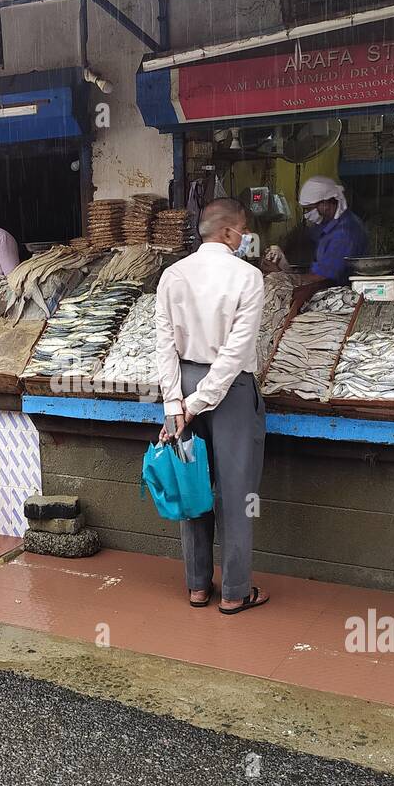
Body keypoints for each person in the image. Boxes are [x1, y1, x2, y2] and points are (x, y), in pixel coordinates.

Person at [154, 197, 270, 616]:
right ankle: (236, 592)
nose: (245, 239)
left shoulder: (173, 275)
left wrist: (176, 404)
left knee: (192, 483)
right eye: (242, 230)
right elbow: (235, 352)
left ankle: (198, 586)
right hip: (231, 392)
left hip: (183, 385)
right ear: (228, 232)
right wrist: (200, 401)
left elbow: (163, 345)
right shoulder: (248, 277)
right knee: (238, 494)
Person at [297, 174, 368, 281]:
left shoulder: (344, 233)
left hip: (338, 290)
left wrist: (284, 277)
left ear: (325, 204)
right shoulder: (327, 224)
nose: (307, 214)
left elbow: (322, 278)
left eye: (309, 209)